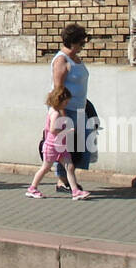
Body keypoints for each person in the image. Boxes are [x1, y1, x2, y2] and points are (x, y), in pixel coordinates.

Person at [49, 24, 95, 192]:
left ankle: (69, 179)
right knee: (65, 147)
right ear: (72, 42)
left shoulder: (76, 58)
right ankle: (62, 181)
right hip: (66, 110)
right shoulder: (61, 60)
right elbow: (58, 89)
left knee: (78, 146)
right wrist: (62, 116)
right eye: (81, 44)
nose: (82, 47)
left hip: (80, 108)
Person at [27, 86, 89, 199]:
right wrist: (67, 130)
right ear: (59, 101)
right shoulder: (55, 113)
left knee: (69, 167)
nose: (66, 105)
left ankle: (75, 191)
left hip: (61, 147)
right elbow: (53, 129)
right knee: (45, 168)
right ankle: (32, 188)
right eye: (65, 102)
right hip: (52, 146)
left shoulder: (57, 111)